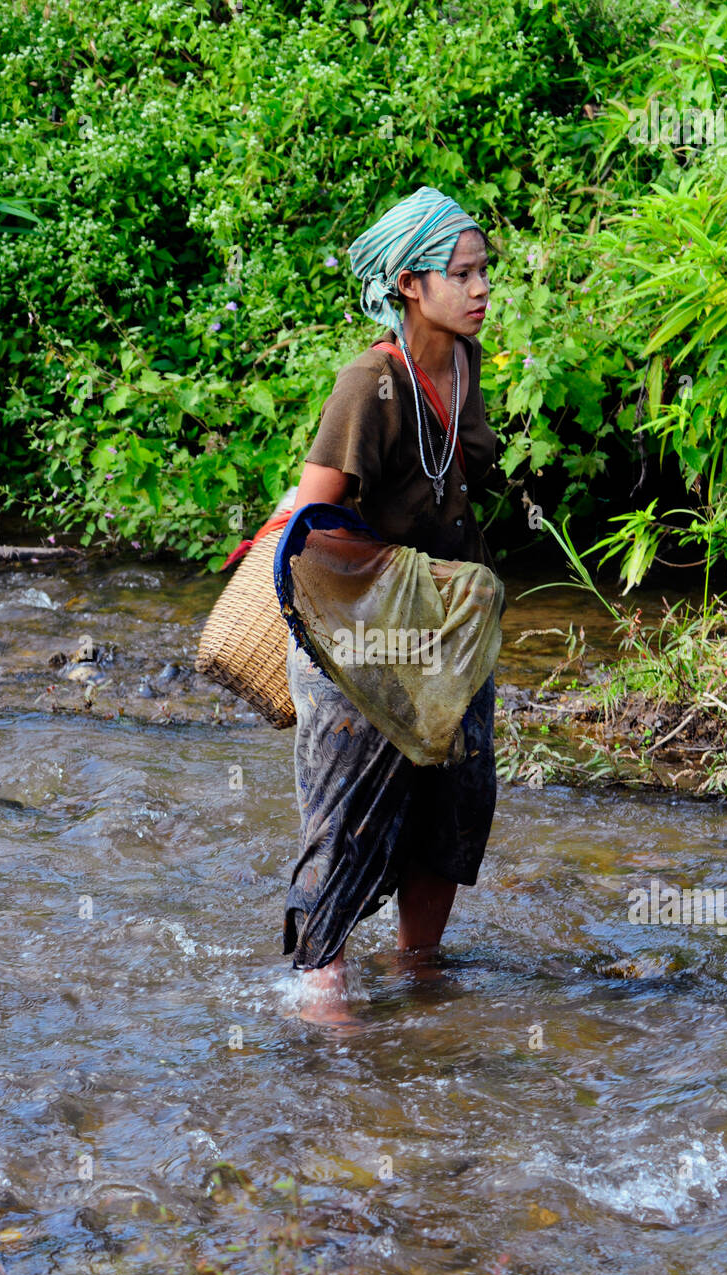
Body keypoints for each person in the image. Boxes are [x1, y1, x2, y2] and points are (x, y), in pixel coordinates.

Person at [285, 185, 500, 1022]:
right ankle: (319, 991)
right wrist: (403, 586)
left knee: (453, 802)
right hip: (361, 637)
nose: (481, 289)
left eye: (485, 272)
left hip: (450, 631)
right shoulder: (368, 381)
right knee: (347, 818)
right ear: (409, 284)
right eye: (463, 273)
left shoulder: (463, 363)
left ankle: (419, 970)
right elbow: (311, 524)